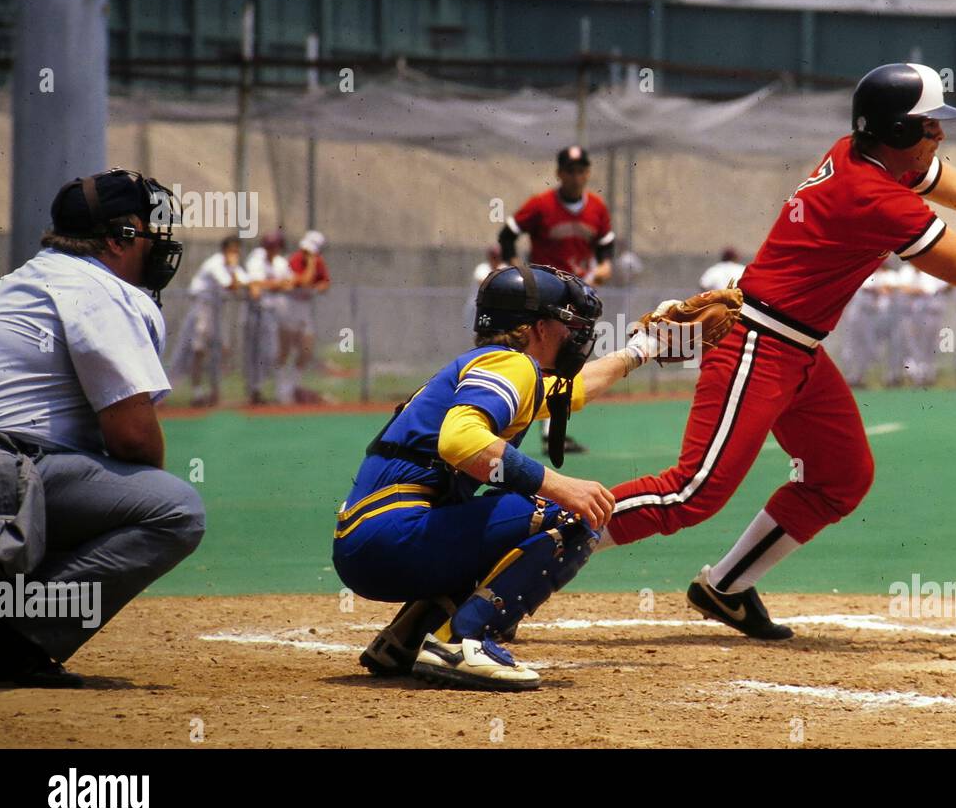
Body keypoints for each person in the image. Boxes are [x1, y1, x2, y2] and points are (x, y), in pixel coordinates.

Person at [597, 62, 956, 640]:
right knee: (691, 493)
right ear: (898, 132)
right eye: (929, 126)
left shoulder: (869, 155)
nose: (939, 136)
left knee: (840, 475)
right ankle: (530, 542)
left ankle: (726, 586)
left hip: (797, 350)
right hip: (756, 341)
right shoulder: (875, 194)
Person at [336, 263, 669, 690]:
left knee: (505, 522)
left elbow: (574, 391)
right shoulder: (511, 365)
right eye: (566, 323)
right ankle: (462, 640)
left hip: (369, 543)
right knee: (570, 514)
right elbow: (460, 442)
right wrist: (559, 486)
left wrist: (643, 349)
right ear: (537, 328)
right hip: (392, 536)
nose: (575, 335)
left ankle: (410, 636)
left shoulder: (493, 366)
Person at [0, 169, 205, 687]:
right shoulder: (97, 289)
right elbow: (133, 439)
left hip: (13, 474)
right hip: (9, 472)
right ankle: (14, 641)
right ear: (119, 238)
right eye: (151, 228)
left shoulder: (20, 281)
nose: (162, 241)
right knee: (173, 510)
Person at [498, 146, 616, 456]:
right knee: (536, 357)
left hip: (578, 294)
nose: (576, 176)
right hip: (545, 294)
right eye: (570, 170)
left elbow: (606, 246)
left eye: (581, 170)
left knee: (568, 360)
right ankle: (529, 423)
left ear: (587, 172)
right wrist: (517, 270)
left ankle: (552, 430)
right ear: (559, 173)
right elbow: (507, 235)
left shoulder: (597, 209)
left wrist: (605, 265)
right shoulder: (541, 205)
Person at [171, 234, 245, 406]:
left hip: (218, 310)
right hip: (202, 308)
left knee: (222, 350)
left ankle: (215, 392)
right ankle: (197, 393)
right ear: (225, 250)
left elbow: (246, 282)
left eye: (237, 251)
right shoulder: (215, 264)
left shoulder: (233, 266)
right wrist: (235, 271)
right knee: (198, 350)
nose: (235, 254)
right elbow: (231, 285)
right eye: (232, 250)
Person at [280, 230, 332, 404]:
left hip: (304, 307)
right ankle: (282, 391)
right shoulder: (295, 259)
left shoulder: (318, 261)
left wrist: (320, 286)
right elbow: (304, 280)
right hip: (289, 306)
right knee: (286, 349)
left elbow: (324, 282)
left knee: (306, 348)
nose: (307, 253)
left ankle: (292, 386)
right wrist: (311, 263)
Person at [242, 229, 294, 405]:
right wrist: (276, 284)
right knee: (256, 353)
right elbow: (254, 285)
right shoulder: (257, 258)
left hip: (275, 313)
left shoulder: (280, 262)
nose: (273, 249)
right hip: (257, 312)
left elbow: (289, 283)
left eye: (276, 246)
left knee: (274, 352)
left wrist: (270, 285)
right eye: (270, 246)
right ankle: (255, 391)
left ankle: (276, 392)